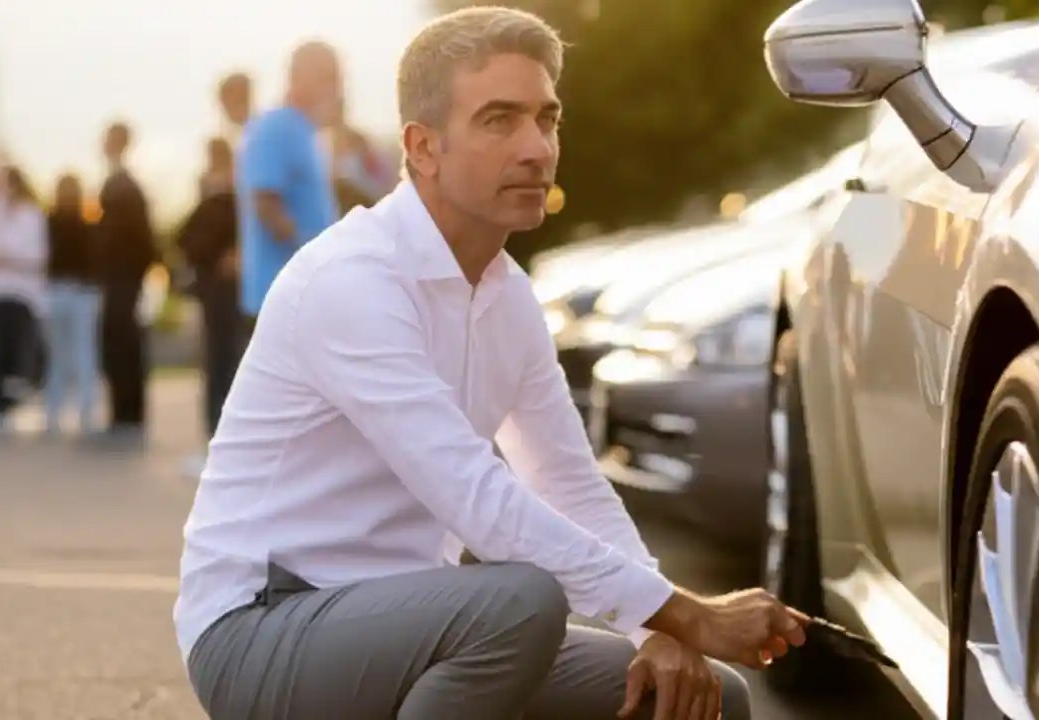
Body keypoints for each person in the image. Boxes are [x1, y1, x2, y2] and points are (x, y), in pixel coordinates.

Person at [175, 8, 807, 720]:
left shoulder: (507, 298)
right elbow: (475, 496)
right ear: (423, 147)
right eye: (499, 120)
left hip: (410, 626)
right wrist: (687, 613)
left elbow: (566, 480)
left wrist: (656, 626)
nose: (537, 148)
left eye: (547, 119)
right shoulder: (351, 281)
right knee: (519, 602)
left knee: (707, 698)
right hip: (262, 627)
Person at [235, 42, 339, 334]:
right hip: (281, 301)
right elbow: (266, 204)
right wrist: (317, 258)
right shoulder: (274, 127)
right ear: (296, 76)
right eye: (326, 77)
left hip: (307, 300)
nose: (335, 87)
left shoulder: (307, 131)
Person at [96, 121, 158, 437]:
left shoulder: (125, 187)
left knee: (124, 342)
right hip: (117, 276)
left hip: (123, 277)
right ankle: (123, 412)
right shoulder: (119, 183)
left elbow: (140, 238)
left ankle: (129, 414)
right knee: (116, 342)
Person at [0, 165, 48, 430]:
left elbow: (37, 256)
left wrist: (7, 257)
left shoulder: (32, 215)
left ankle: (15, 398)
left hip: (24, 294)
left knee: (20, 349)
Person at [177, 138, 239, 445]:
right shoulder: (210, 193)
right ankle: (216, 425)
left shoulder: (234, 192)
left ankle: (222, 424)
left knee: (226, 355)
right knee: (218, 357)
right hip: (214, 284)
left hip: (228, 285)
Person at [43, 173, 103, 434]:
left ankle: (77, 412)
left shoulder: (84, 223)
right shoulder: (56, 223)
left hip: (74, 291)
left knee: (76, 353)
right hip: (66, 291)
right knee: (68, 353)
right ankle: (63, 412)